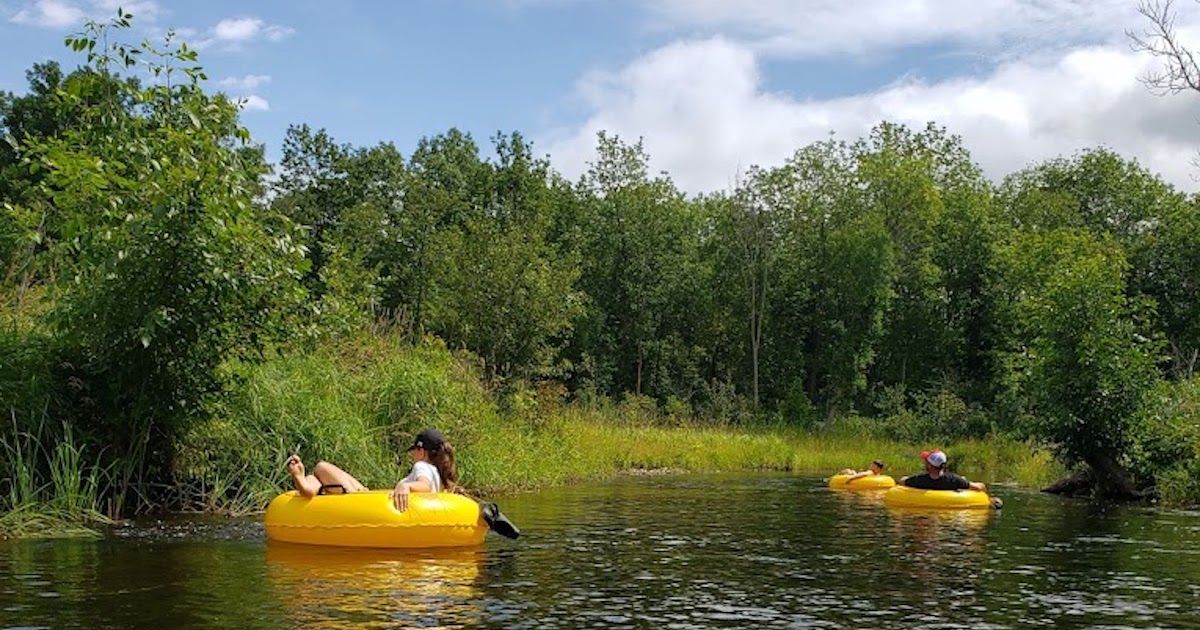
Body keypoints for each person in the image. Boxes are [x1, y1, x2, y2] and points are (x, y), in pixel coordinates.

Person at [286, 428, 458, 512]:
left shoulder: (422, 466)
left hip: (363, 505)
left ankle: (305, 482)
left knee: (321, 467)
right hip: (370, 497)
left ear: (422, 451)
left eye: (414, 451)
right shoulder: (439, 475)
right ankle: (307, 484)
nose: (413, 455)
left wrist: (406, 487)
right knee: (315, 477)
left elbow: (424, 486)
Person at [899, 450, 987, 493]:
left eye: (926, 461)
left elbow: (902, 481)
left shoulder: (919, 480)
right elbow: (979, 487)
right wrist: (966, 481)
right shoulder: (954, 480)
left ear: (929, 465)